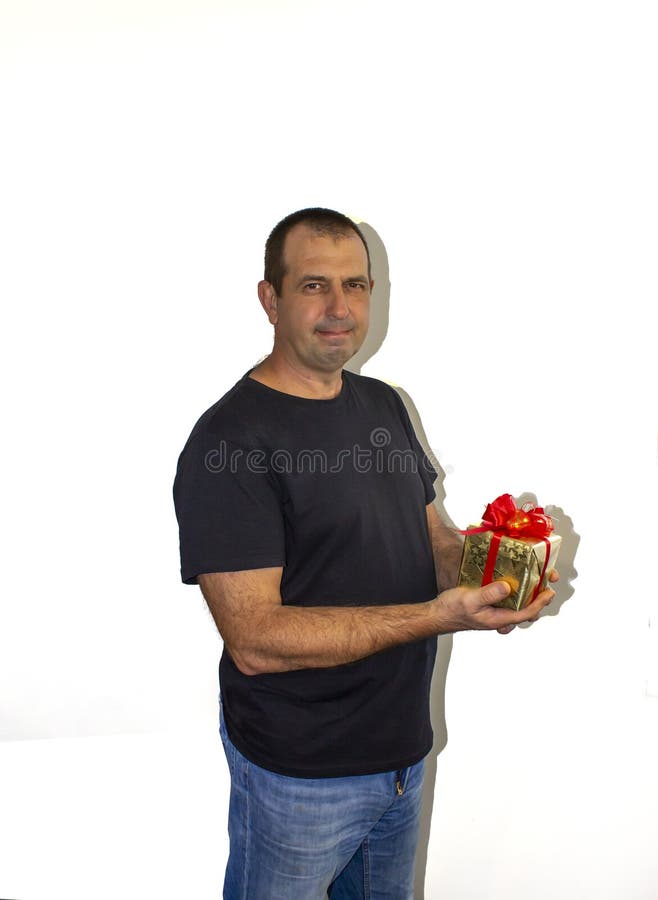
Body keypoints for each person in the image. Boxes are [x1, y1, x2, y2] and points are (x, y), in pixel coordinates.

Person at [173, 208, 557, 900]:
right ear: (271, 298)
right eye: (315, 285)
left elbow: (433, 542)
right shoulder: (229, 443)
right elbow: (256, 640)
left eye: (356, 285)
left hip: (401, 756)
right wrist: (440, 617)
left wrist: (500, 570)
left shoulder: (382, 406)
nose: (340, 308)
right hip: (299, 776)